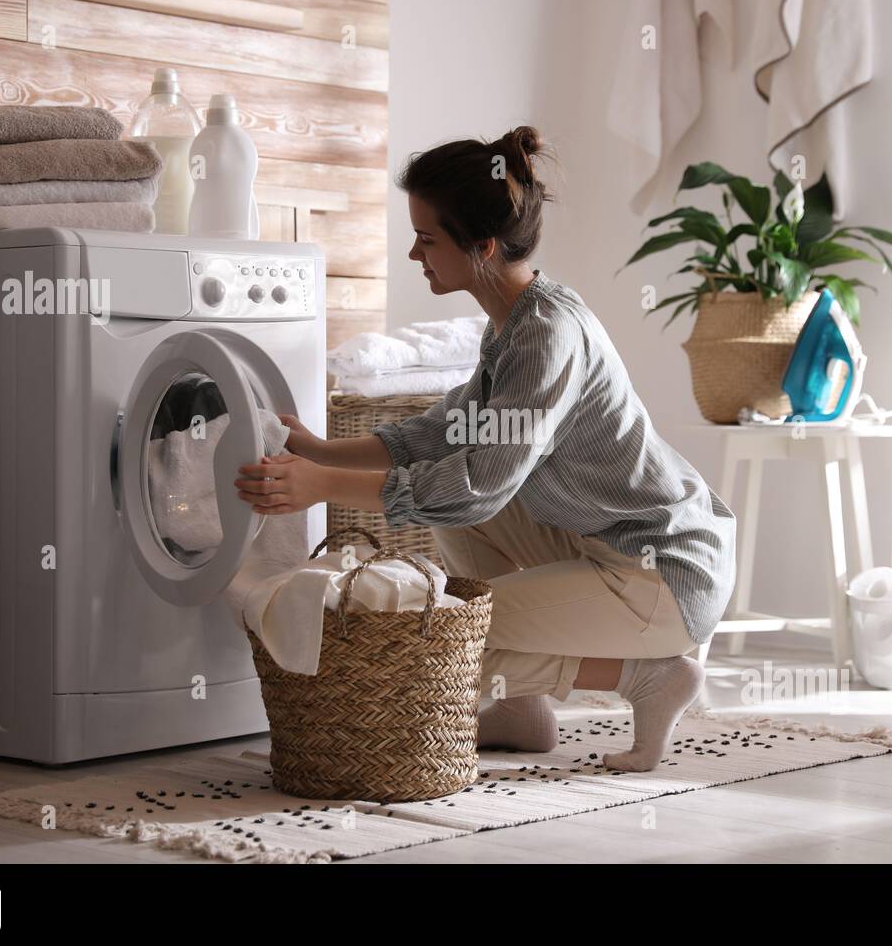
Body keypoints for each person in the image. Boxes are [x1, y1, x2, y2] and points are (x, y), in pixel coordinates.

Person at [235, 125, 736, 772]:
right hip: (612, 545)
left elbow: (480, 481)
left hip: (663, 571)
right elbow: (445, 433)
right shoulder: (514, 322)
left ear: (482, 246)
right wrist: (321, 450)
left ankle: (650, 678)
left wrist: (321, 485)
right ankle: (521, 711)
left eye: (426, 238)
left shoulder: (547, 334)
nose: (416, 254)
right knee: (463, 518)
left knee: (449, 634)